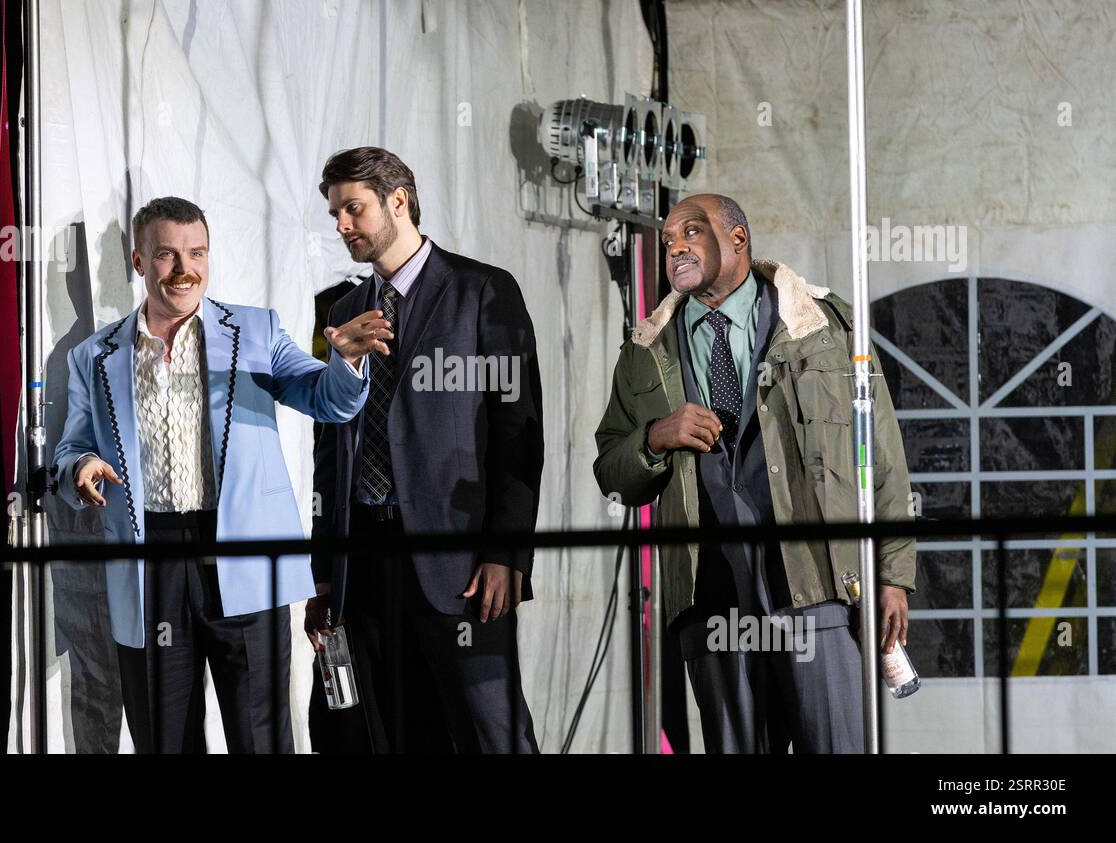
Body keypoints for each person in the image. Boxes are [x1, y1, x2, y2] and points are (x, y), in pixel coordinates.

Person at [53, 196, 387, 753]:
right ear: (138, 261)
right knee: (164, 735)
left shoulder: (255, 332)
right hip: (148, 562)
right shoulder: (94, 355)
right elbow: (70, 449)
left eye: (197, 253)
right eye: (166, 254)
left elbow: (325, 399)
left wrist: (345, 361)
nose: (185, 269)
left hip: (243, 555)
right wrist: (82, 465)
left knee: (259, 736)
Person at [593, 193, 916, 753]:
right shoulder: (646, 351)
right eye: (668, 241)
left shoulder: (824, 326)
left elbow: (880, 455)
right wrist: (654, 438)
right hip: (712, 603)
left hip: (817, 588)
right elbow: (612, 473)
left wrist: (892, 573)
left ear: (738, 238)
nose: (675, 248)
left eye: (691, 232)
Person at [306, 147, 544, 753]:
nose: (341, 226)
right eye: (335, 213)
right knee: (386, 733)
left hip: (459, 561)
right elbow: (329, 447)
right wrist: (326, 573)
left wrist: (506, 552)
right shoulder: (341, 311)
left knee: (492, 733)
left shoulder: (485, 291)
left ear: (399, 201)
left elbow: (520, 432)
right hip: (363, 559)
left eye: (352, 210)